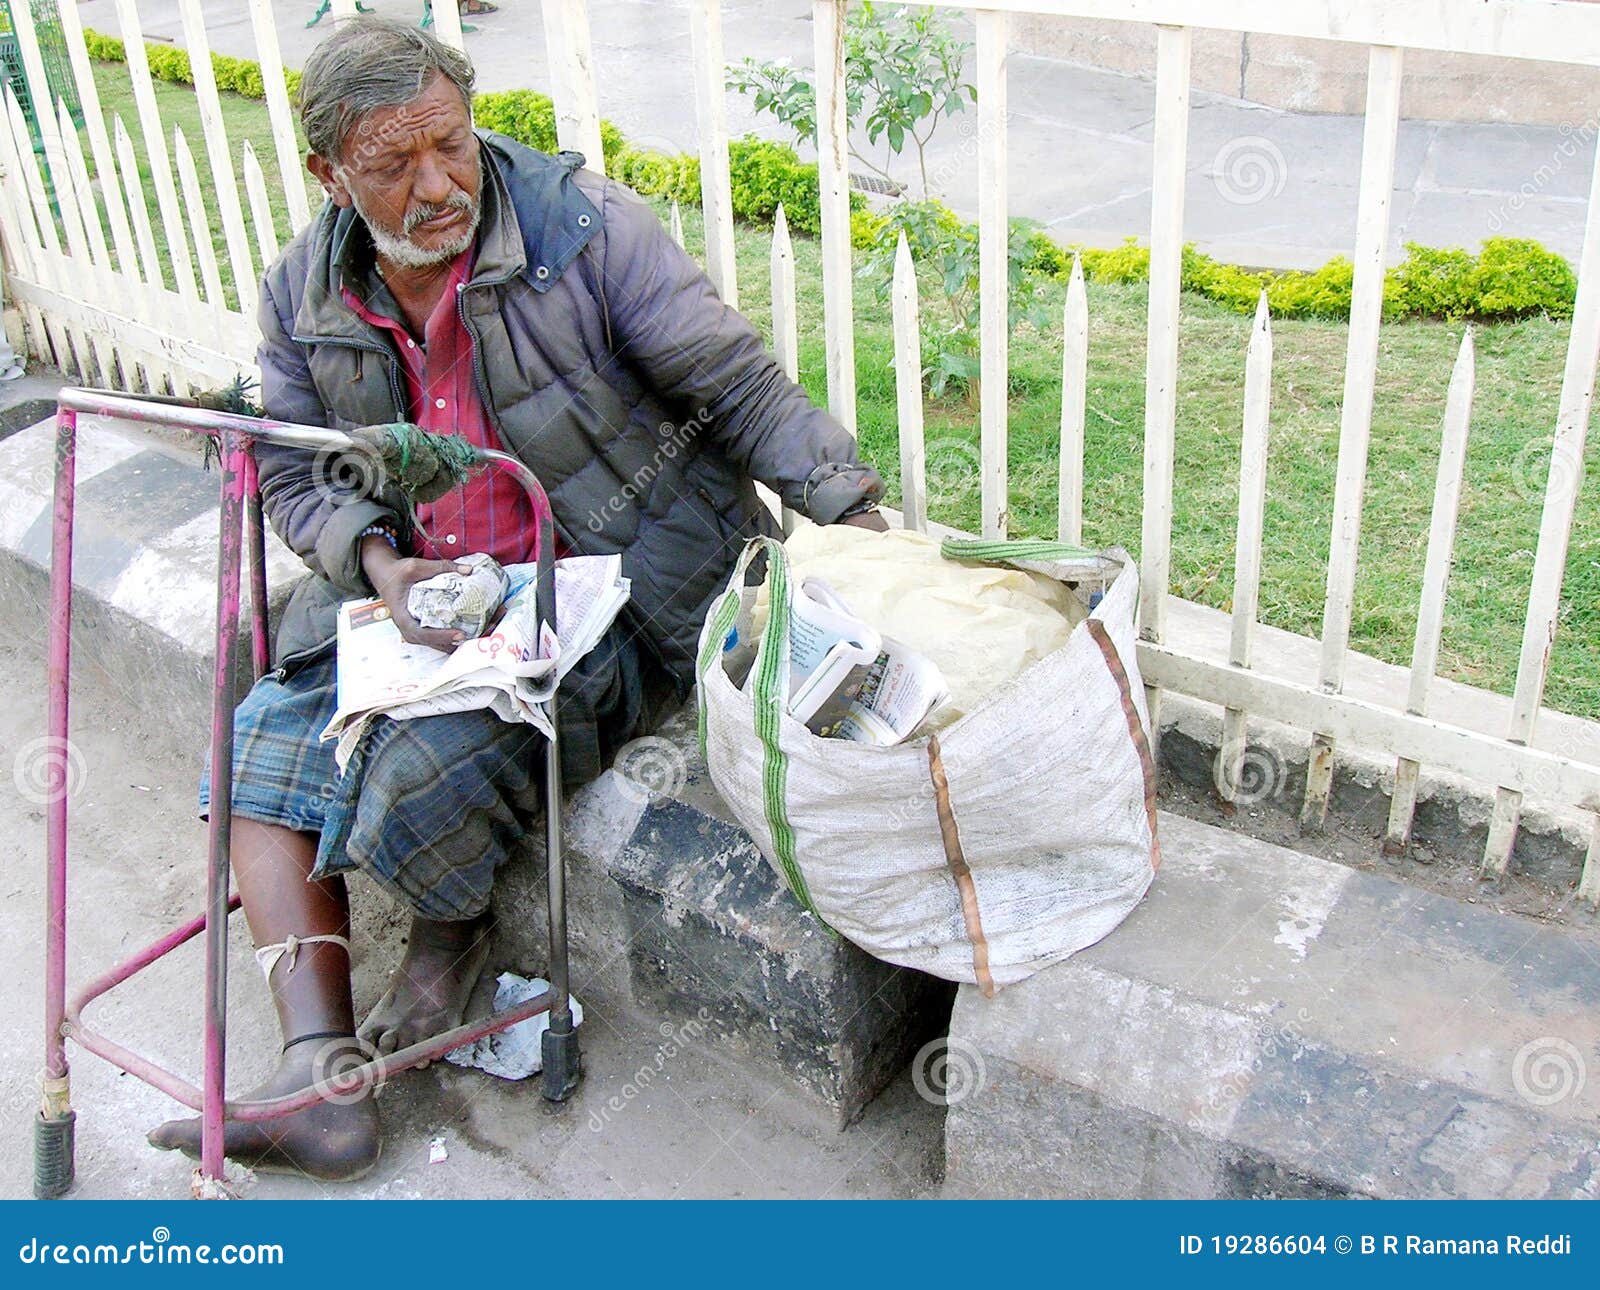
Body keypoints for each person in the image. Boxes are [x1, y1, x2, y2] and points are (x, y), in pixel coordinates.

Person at [148, 14, 885, 1181]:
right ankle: (315, 1072)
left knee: (418, 773)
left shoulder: (582, 232)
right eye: (393, 165)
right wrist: (383, 569)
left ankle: (451, 932)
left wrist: (851, 509)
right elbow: (296, 468)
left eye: (449, 142)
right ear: (328, 173)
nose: (438, 183)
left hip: (611, 590)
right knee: (257, 739)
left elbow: (734, 383)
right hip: (428, 600)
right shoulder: (305, 290)